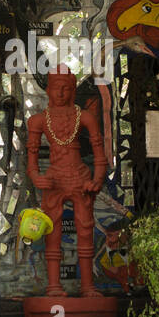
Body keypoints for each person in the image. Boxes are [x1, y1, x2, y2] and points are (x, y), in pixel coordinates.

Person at [26, 68, 107, 297]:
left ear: (72, 91)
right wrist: (36, 177)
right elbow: (31, 159)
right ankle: (53, 286)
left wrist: (97, 180)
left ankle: (88, 287)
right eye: (56, 88)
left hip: (80, 177)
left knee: (85, 230)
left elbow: (100, 155)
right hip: (53, 179)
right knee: (52, 231)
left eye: (66, 88)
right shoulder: (38, 120)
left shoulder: (86, 117)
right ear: (48, 90)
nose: (60, 93)